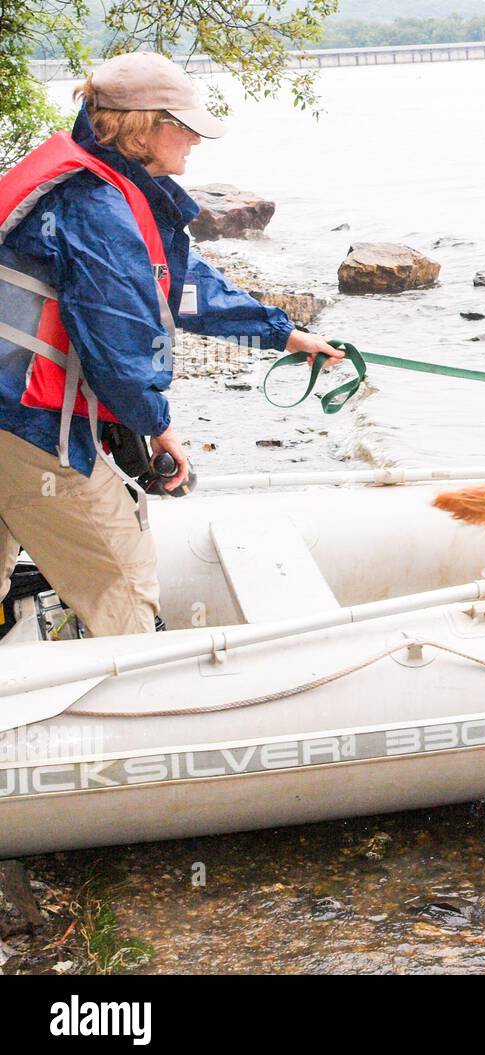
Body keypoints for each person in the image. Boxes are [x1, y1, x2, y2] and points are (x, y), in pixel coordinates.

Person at [0, 52, 339, 636]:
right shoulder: (96, 207)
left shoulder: (97, 182)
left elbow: (178, 292)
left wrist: (277, 331)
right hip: (28, 423)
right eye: (186, 127)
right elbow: (121, 347)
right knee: (123, 584)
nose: (196, 143)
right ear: (144, 126)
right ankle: (139, 701)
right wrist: (157, 427)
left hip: (7, 405)